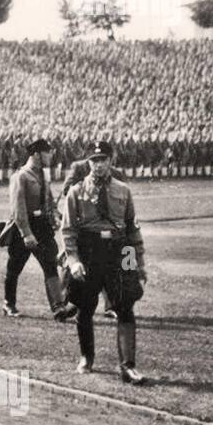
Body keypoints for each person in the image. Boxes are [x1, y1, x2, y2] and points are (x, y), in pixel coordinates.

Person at [60, 140, 147, 384]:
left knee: (126, 306)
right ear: (88, 163)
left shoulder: (123, 190)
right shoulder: (76, 192)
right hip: (89, 252)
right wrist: (73, 261)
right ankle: (87, 357)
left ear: (111, 161)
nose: (99, 165)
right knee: (85, 308)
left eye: (103, 160)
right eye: (94, 161)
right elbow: (68, 231)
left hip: (119, 251)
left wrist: (136, 266)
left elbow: (132, 230)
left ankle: (128, 366)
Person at [1, 137, 74, 320]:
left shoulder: (43, 175)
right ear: (36, 154)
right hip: (23, 227)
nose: (50, 155)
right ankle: (8, 304)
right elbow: (18, 208)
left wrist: (55, 216)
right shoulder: (21, 176)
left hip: (42, 227)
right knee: (15, 267)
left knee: (50, 264)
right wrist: (26, 234)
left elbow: (48, 200)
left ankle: (58, 307)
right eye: (47, 152)